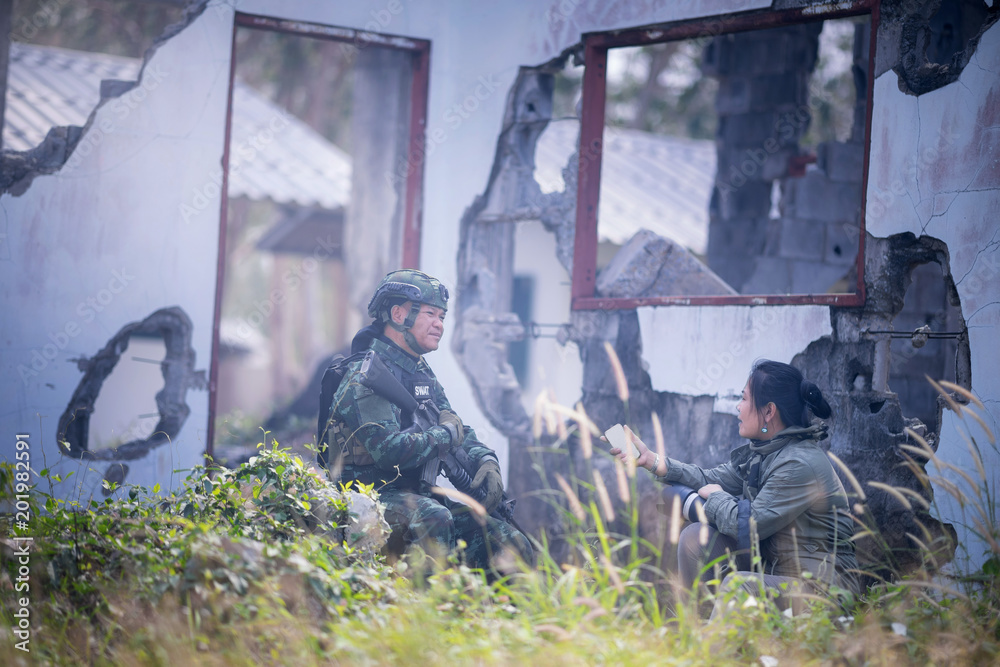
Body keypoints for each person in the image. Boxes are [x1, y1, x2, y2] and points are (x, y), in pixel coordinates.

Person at [323, 269, 532, 574]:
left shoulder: (420, 373)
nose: (440, 324)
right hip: (365, 498)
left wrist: (484, 459)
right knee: (435, 518)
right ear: (398, 314)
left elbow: (453, 424)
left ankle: (498, 618)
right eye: (431, 314)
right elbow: (388, 450)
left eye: (443, 317)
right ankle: (427, 615)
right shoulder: (366, 375)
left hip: (412, 497)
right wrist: (444, 436)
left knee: (507, 538)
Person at [610, 360, 860, 615]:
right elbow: (707, 478)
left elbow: (750, 524)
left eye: (744, 399)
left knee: (739, 587)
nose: (738, 407)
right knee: (695, 537)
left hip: (822, 590)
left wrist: (717, 497)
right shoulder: (764, 454)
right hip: (777, 572)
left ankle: (712, 649)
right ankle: (699, 628)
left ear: (769, 411)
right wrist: (654, 462)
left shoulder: (798, 463)